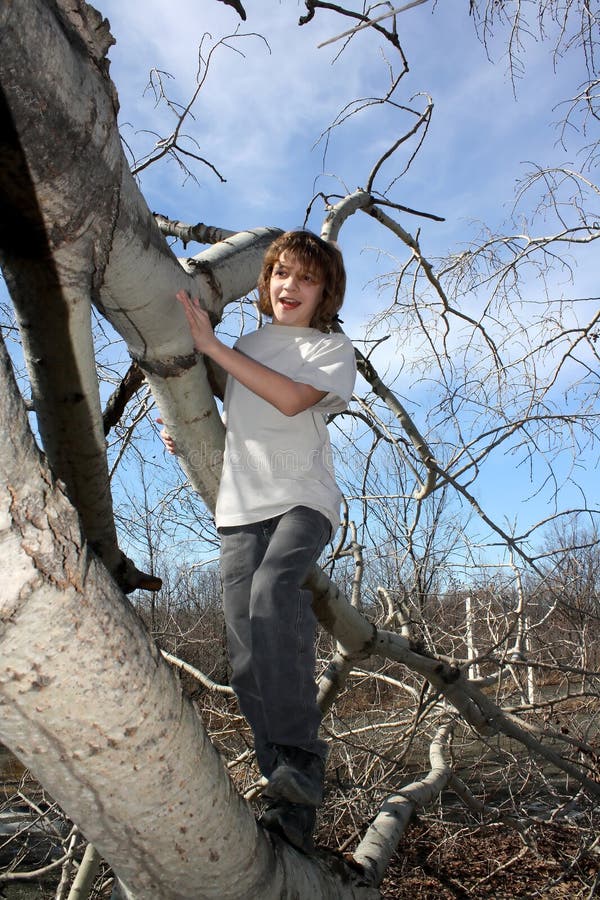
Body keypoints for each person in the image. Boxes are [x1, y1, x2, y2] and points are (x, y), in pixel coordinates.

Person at [161, 230, 356, 852]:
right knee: (245, 655)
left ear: (324, 292)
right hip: (239, 509)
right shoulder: (243, 345)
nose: (289, 286)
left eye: (305, 278)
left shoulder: (330, 351)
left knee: (275, 593)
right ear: (265, 282)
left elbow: (290, 400)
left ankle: (302, 759)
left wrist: (211, 346)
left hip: (303, 501)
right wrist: (193, 430)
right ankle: (286, 796)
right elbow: (238, 413)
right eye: (279, 274)